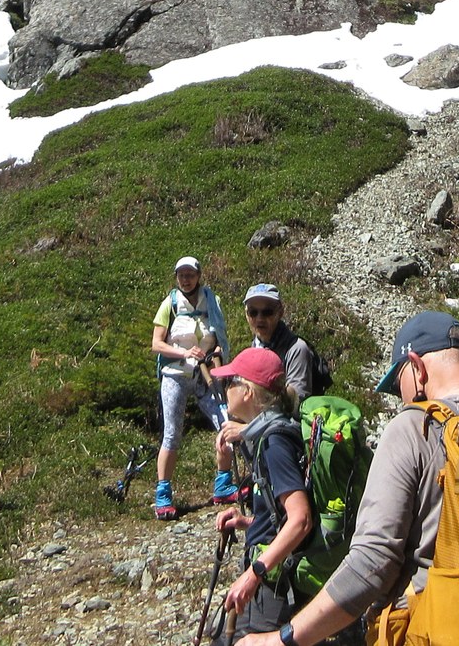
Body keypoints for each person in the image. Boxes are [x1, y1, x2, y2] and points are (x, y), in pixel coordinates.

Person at [239, 310, 459, 646]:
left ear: (417, 367)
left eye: (399, 385)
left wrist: (281, 639)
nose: (402, 398)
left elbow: (372, 562)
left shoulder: (414, 427)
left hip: (431, 631)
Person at [209, 346, 314, 641]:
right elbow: (282, 515)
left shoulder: (274, 442)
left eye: (231, 381)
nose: (226, 388)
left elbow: (301, 519)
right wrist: (248, 522)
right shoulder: (270, 436)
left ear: (248, 392)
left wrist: (254, 573)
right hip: (271, 575)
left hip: (274, 582)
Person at [216, 283, 322, 487]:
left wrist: (247, 429)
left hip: (283, 443)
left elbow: (295, 406)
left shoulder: (297, 349)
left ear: (280, 312)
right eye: (253, 312)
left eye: (267, 312)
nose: (259, 318)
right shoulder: (256, 344)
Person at [150, 254, 231, 519]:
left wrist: (217, 351)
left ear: (199, 276)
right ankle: (163, 494)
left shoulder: (212, 301)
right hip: (175, 375)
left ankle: (223, 484)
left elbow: (219, 336)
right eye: (181, 275)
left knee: (226, 423)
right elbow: (156, 344)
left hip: (206, 374)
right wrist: (184, 353)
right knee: (172, 434)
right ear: (176, 278)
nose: (186, 280)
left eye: (190, 275)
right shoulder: (170, 303)